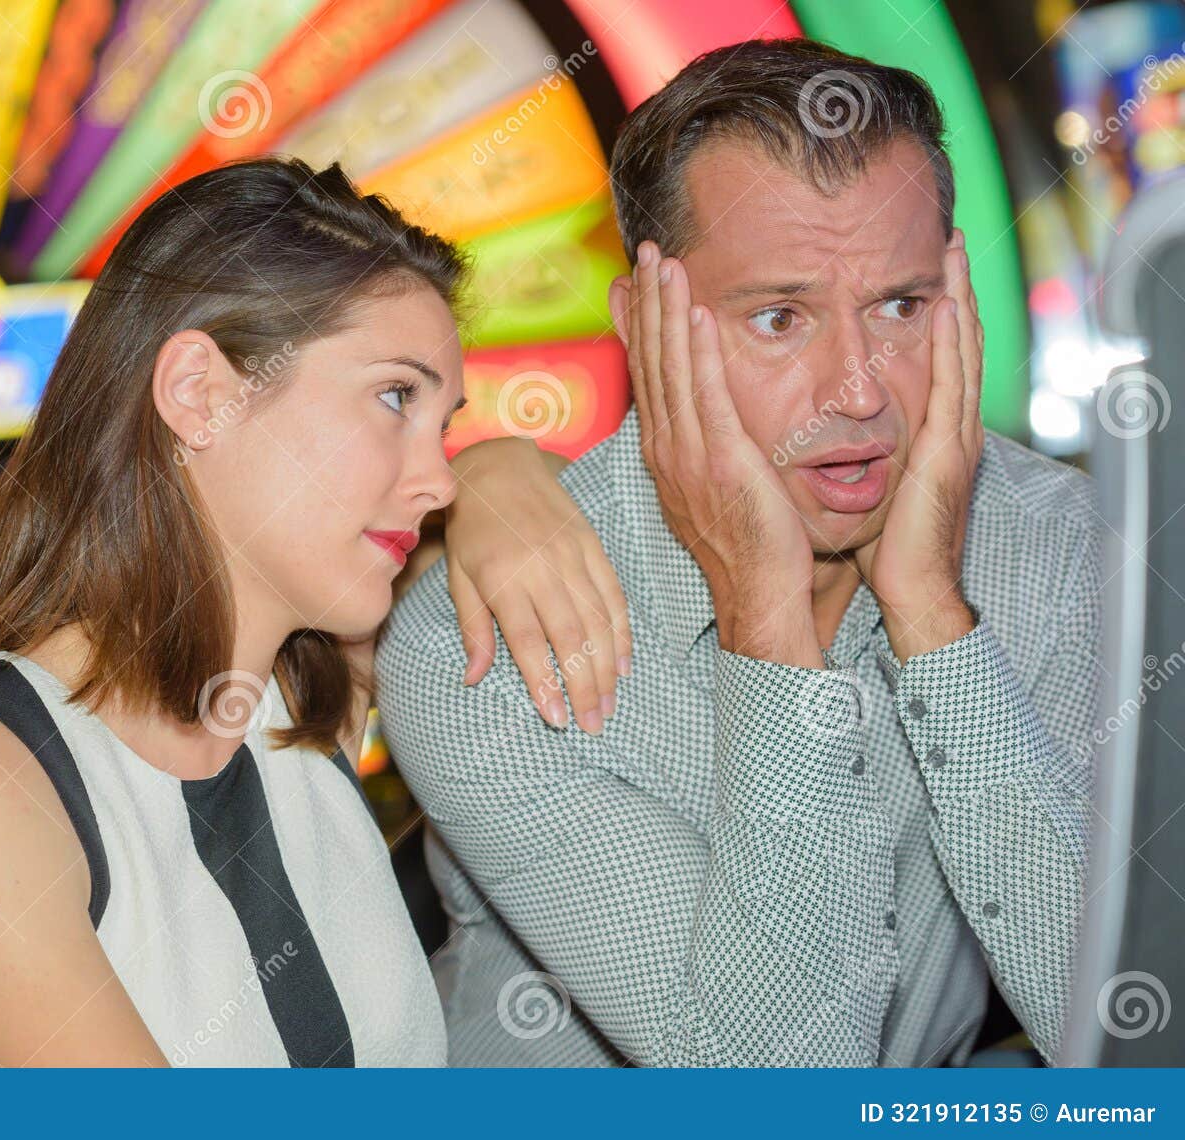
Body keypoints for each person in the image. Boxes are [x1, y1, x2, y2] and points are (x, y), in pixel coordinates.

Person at [376, 38, 1102, 1067]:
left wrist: (938, 622)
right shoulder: (479, 636)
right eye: (778, 317)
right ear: (645, 322)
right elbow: (770, 1089)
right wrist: (764, 619)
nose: (857, 390)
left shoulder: (1065, 546)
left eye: (900, 306)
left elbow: (1130, 1041)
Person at [0, 157, 626, 1067]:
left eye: (442, 424)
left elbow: (562, 518)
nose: (434, 475)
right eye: (395, 396)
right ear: (199, 391)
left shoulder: (316, 682)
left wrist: (500, 467)